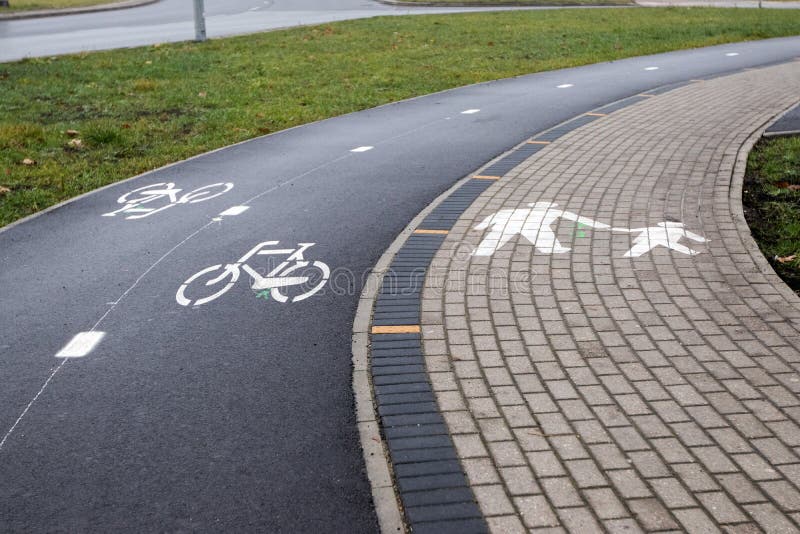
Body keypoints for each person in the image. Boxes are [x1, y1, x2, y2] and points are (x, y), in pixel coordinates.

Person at [472, 202, 610, 256]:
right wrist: (599, 225)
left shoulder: (514, 209)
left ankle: (482, 251)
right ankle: (551, 249)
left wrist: (482, 226)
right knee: (544, 236)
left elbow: (494, 216)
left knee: (495, 237)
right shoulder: (552, 212)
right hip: (532, 227)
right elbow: (576, 218)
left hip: (508, 225)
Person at [617, 222, 707, 258]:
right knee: (665, 242)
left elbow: (632, 230)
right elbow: (633, 230)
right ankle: (691, 251)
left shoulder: (674, 229)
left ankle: (691, 251)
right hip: (653, 238)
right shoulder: (675, 229)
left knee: (664, 242)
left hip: (652, 238)